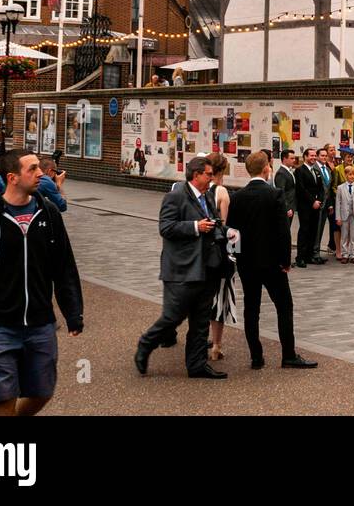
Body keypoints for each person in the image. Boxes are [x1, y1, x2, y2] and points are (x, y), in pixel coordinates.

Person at [0, 150, 84, 415]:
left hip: (40, 321)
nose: (40, 174)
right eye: (32, 169)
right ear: (12, 177)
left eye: (39, 168)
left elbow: (64, 267)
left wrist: (73, 314)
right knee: (5, 394)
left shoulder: (49, 214)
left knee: (42, 392)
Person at [134, 156, 226, 379]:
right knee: (173, 317)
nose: (212, 178)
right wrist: (195, 226)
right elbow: (166, 227)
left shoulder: (208, 196)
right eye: (209, 174)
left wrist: (221, 231)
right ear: (196, 176)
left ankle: (196, 366)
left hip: (206, 268)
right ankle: (146, 345)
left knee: (201, 319)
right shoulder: (175, 196)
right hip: (181, 269)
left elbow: (214, 222)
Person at [228, 151, 316, 370]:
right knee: (284, 306)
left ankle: (256, 356)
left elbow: (231, 231)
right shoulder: (275, 194)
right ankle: (288, 354)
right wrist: (285, 261)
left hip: (247, 263)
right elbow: (283, 232)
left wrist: (236, 257)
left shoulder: (237, 197)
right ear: (267, 168)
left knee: (252, 308)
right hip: (272, 263)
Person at [205, 153, 236, 362]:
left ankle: (199, 338)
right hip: (218, 251)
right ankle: (216, 344)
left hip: (201, 251)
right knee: (219, 299)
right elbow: (223, 225)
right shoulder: (221, 192)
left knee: (203, 297)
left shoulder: (198, 189)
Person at [294, 147, 323, 267]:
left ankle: (309, 255)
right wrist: (312, 201)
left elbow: (321, 188)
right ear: (305, 157)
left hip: (316, 205)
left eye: (315, 156)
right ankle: (300, 257)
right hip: (305, 206)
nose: (313, 158)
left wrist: (319, 200)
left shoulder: (316, 171)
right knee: (304, 230)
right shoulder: (300, 171)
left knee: (313, 230)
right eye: (311, 156)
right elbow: (301, 189)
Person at [334, 164, 354, 264]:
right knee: (344, 235)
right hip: (344, 215)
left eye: (353, 175)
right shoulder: (340, 188)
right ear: (346, 175)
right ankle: (345, 254)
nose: (352, 176)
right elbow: (338, 203)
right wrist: (338, 217)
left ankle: (353, 254)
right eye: (350, 174)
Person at [274, 148, 297, 232]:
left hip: (292, 204)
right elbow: (281, 191)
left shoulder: (289, 171)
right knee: (284, 230)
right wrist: (287, 208)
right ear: (284, 159)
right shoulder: (281, 173)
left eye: (294, 158)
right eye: (292, 158)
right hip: (286, 207)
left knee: (287, 229)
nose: (294, 160)